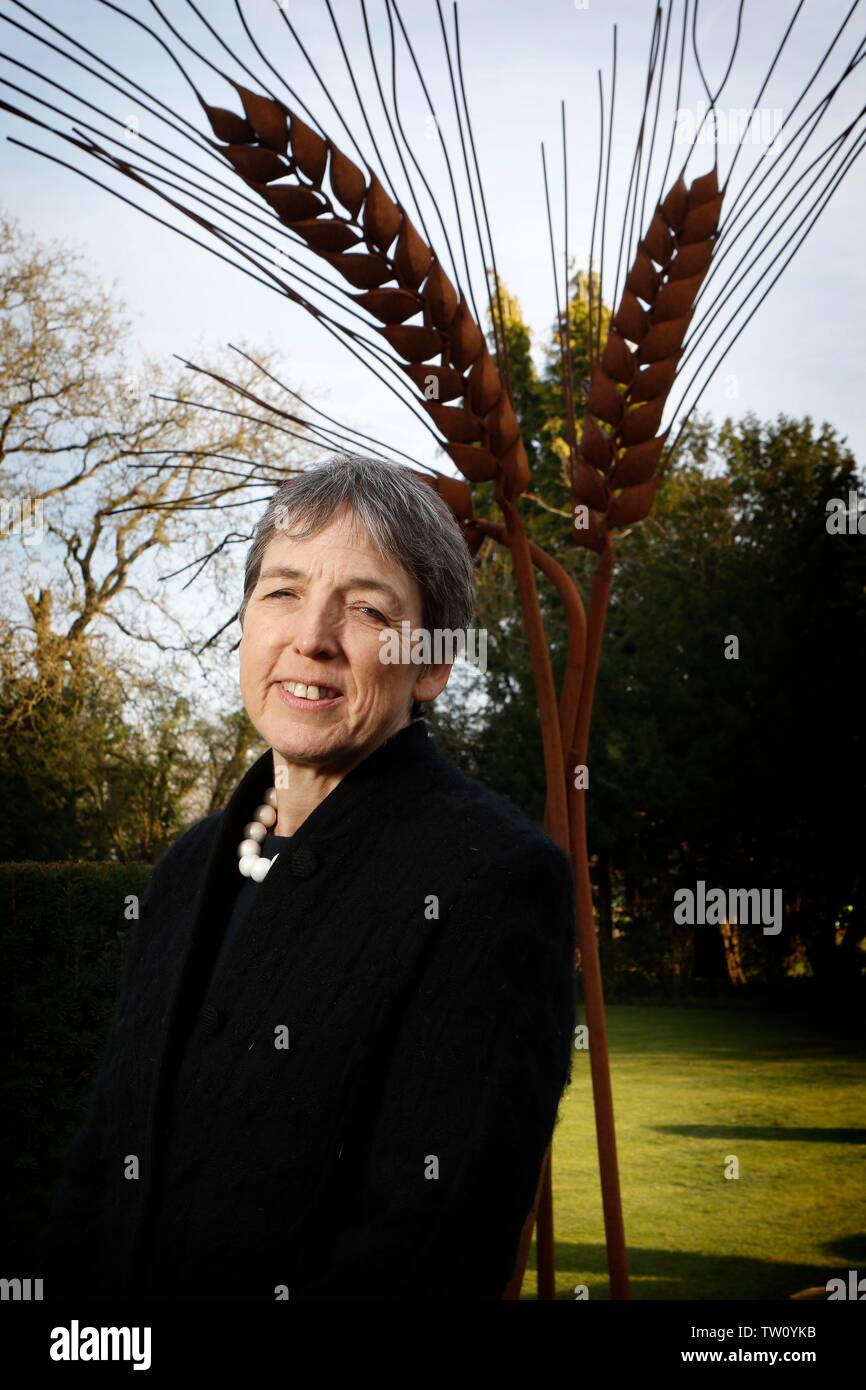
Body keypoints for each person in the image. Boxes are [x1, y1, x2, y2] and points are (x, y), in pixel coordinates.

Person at [35, 453, 577, 1301]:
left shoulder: (494, 882)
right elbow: (106, 1163)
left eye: (365, 608)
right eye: (282, 592)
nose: (311, 637)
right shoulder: (186, 868)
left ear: (432, 665)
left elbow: (431, 1248)